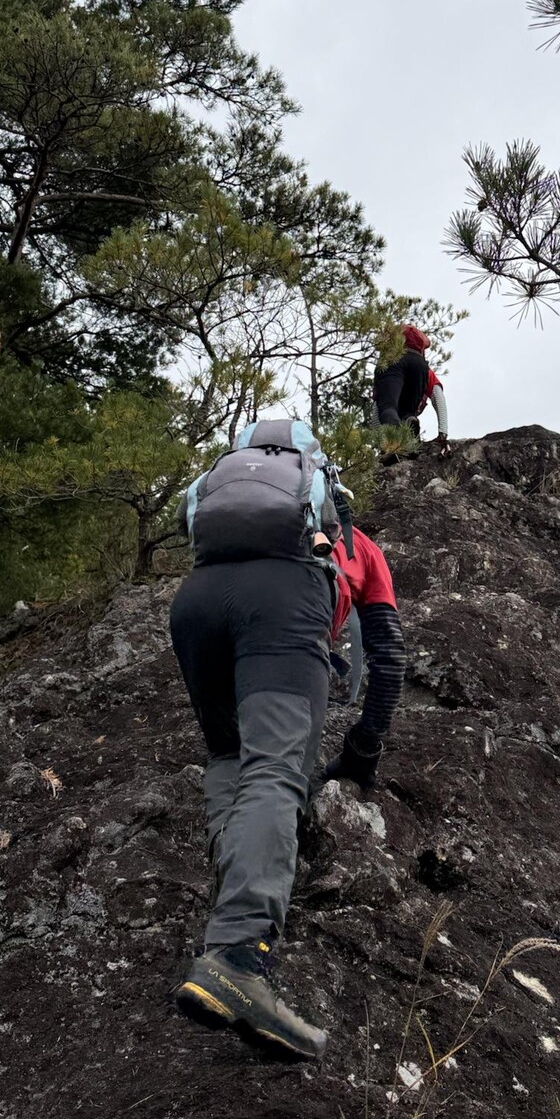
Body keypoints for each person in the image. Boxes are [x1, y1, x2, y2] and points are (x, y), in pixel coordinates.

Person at [169, 421, 405, 1061]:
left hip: (196, 603)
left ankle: (233, 903)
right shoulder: (357, 547)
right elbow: (386, 659)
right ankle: (239, 955)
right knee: (277, 771)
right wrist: (363, 751)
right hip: (283, 604)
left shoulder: (222, 522)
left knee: (230, 759)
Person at [373, 324, 449, 457]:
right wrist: (443, 432)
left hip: (392, 362)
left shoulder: (387, 362)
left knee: (387, 407)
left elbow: (376, 409)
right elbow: (438, 395)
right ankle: (408, 421)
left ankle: (394, 442)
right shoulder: (427, 372)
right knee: (406, 412)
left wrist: (382, 445)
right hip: (419, 366)